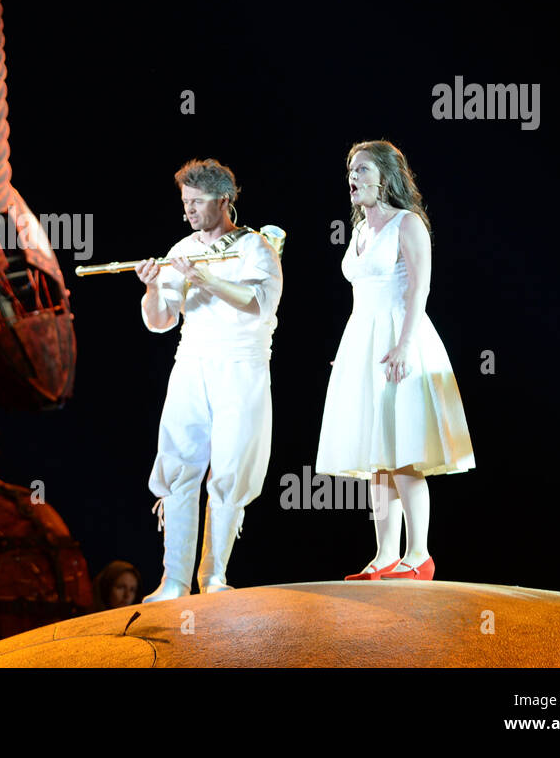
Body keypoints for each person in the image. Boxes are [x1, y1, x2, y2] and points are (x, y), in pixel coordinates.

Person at [316, 140, 475, 581]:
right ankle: (384, 555)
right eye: (351, 170)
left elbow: (418, 290)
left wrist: (404, 346)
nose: (354, 178)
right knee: (377, 457)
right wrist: (348, 354)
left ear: (385, 176)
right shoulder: (359, 231)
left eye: (363, 170)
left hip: (400, 339)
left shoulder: (408, 224)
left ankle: (418, 554)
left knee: (404, 450)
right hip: (364, 341)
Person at [136, 158, 283, 601]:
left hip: (241, 367)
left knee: (231, 466)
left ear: (224, 200)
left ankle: (213, 576)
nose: (189, 212)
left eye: (197, 202)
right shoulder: (181, 248)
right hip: (192, 364)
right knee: (179, 464)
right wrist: (150, 286)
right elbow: (161, 321)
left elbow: (260, 304)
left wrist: (204, 279)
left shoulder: (256, 247)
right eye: (185, 203)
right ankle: (174, 580)